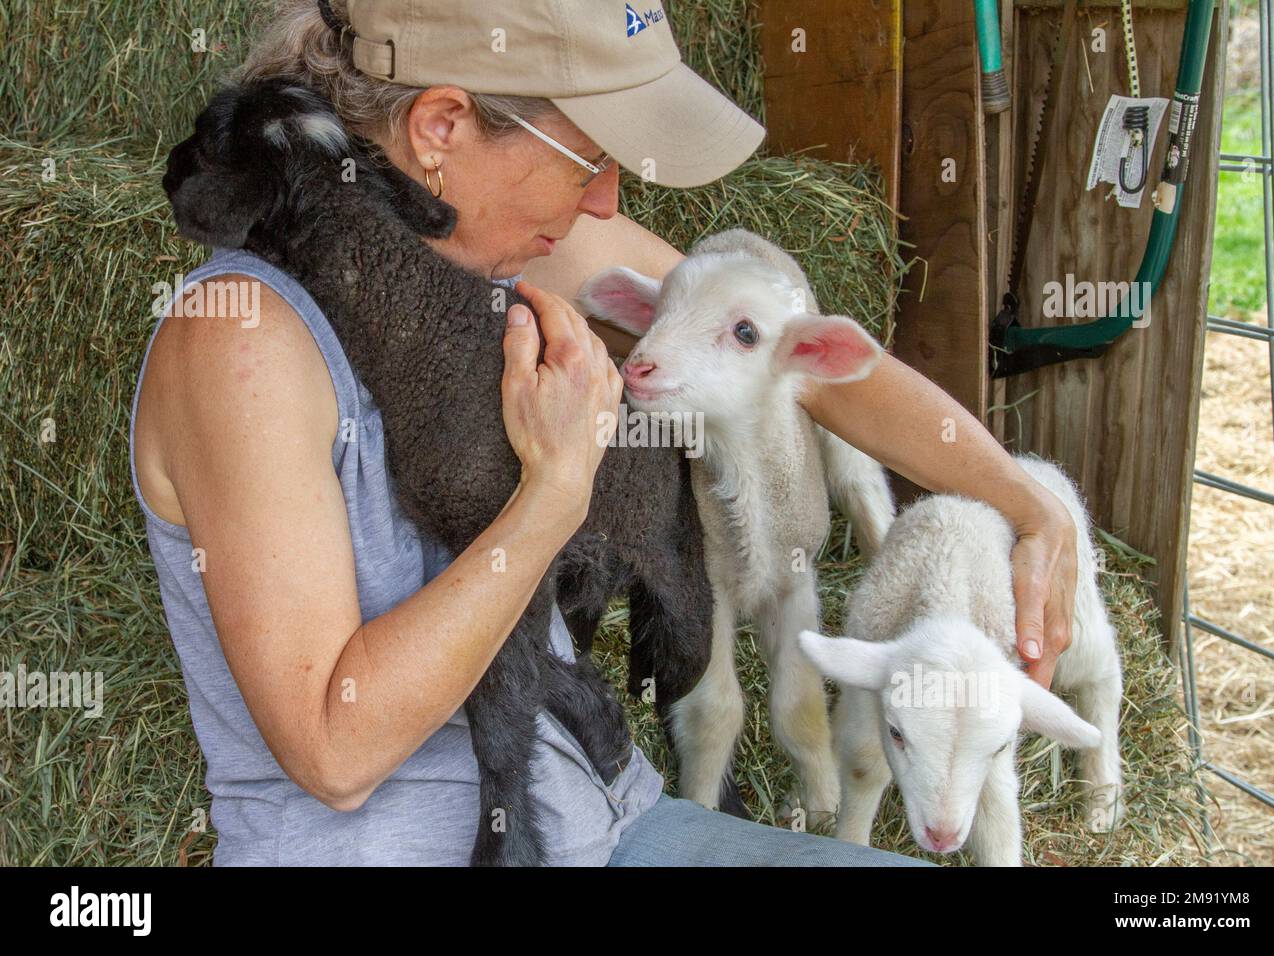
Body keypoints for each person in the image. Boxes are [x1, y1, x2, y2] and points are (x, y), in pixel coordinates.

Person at [129, 0, 1076, 866]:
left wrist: (1026, 504)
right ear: (441, 128)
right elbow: (336, 750)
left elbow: (793, 354)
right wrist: (553, 494)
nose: (607, 204)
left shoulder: (504, 242)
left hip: (611, 827)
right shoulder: (244, 343)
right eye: (591, 159)